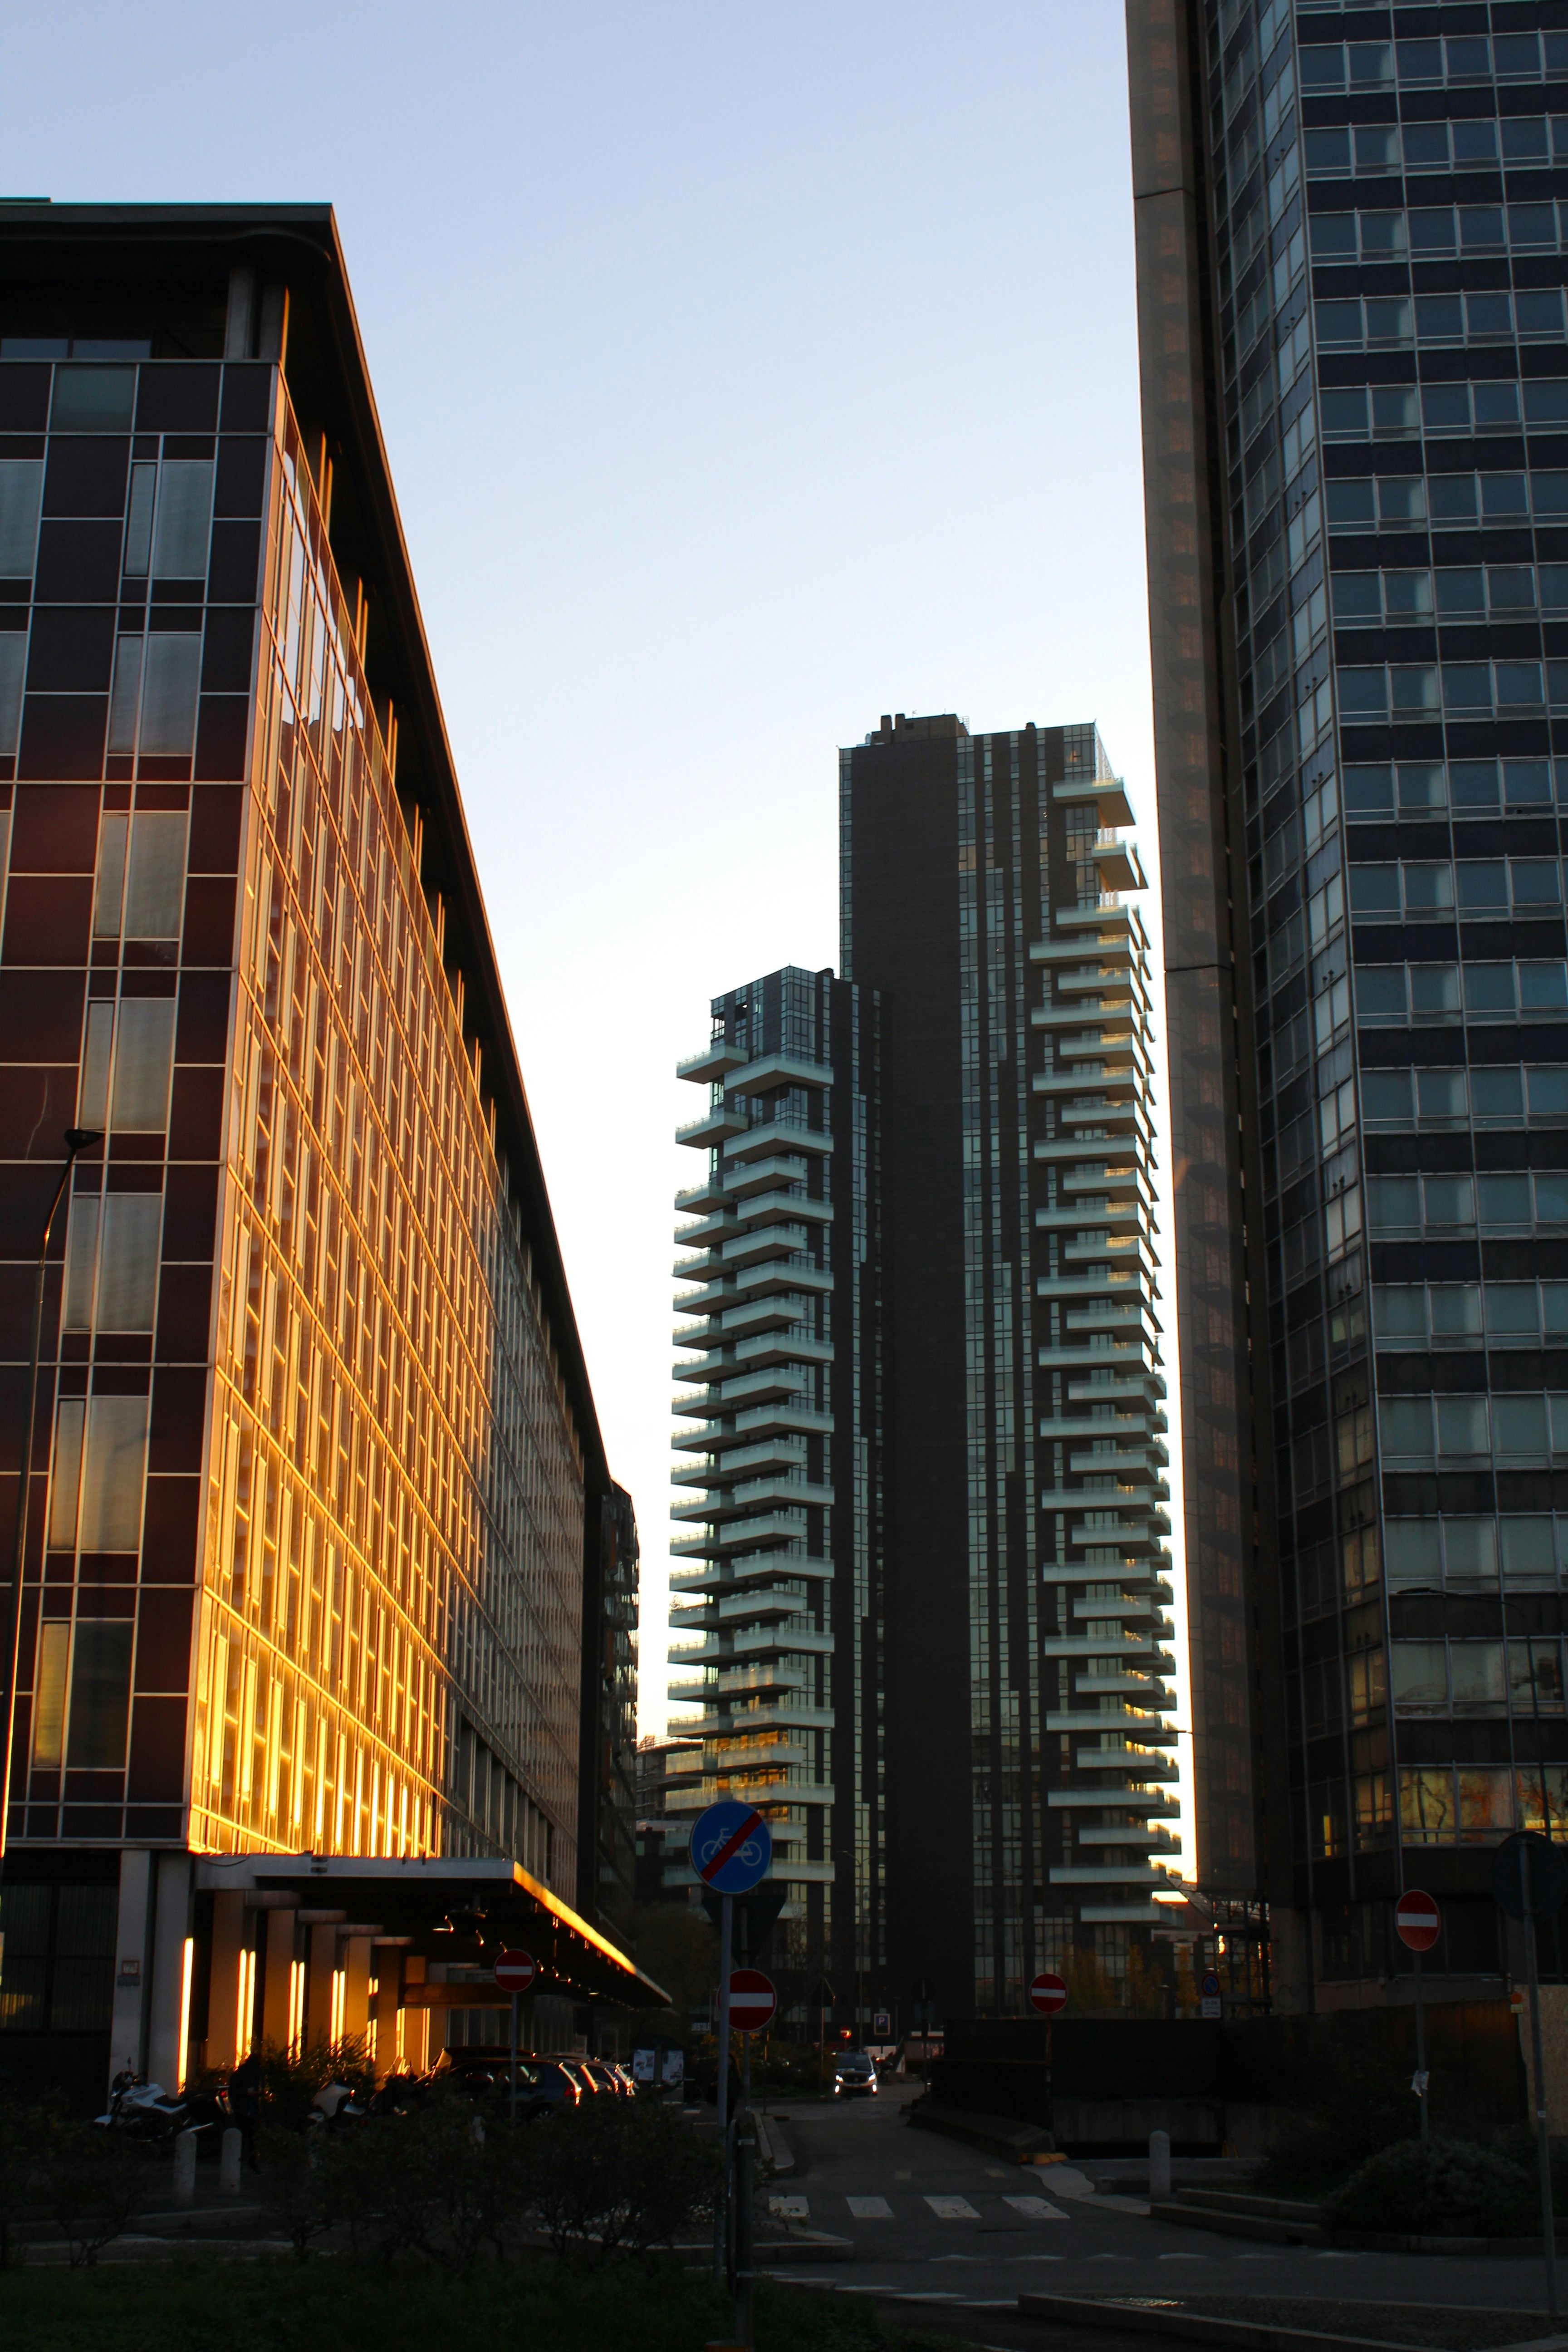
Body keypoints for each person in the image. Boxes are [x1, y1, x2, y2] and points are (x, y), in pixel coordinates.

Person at [228, 2048, 262, 2168]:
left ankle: (244, 2162)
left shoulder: (251, 2072)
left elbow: (232, 2090)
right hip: (245, 2109)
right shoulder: (245, 2073)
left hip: (249, 2109)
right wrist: (246, 2092)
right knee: (247, 2138)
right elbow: (233, 2091)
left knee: (248, 2138)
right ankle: (247, 2162)